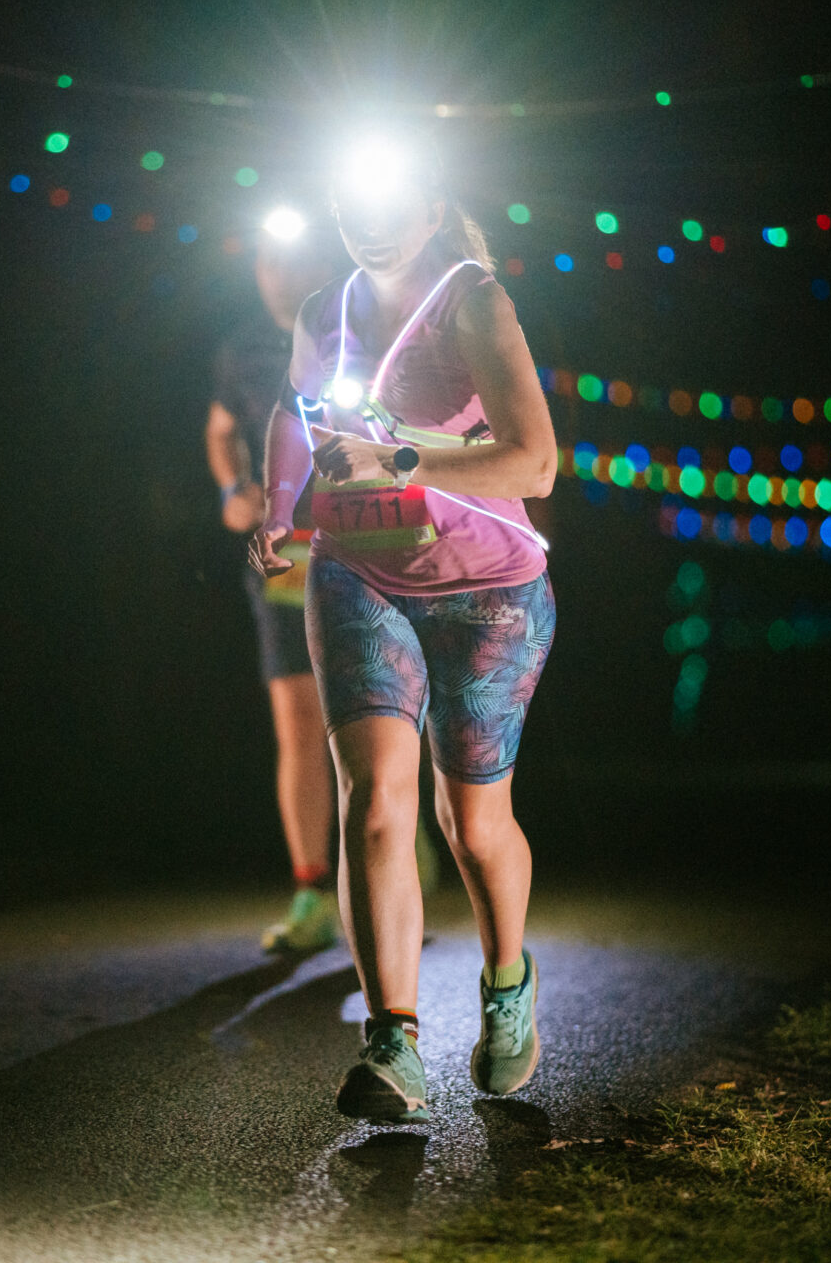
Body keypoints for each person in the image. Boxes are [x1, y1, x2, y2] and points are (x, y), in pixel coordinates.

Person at [249, 138, 557, 1123]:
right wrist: (279, 509)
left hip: (490, 592)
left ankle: (509, 984)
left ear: (430, 206)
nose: (364, 214)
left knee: (470, 825)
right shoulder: (322, 309)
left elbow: (536, 461)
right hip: (360, 575)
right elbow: (297, 419)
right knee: (376, 802)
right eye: (349, 194)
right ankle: (393, 1044)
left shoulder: (475, 302)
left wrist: (403, 459)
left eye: (387, 197)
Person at [207, 225, 343, 952]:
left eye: (293, 262)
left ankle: (398, 847)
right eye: (265, 262)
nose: (277, 276)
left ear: (327, 263)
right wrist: (234, 488)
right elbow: (221, 427)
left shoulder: (366, 331)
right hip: (284, 556)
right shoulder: (242, 350)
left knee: (375, 717)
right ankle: (312, 892)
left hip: (368, 549)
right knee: (298, 723)